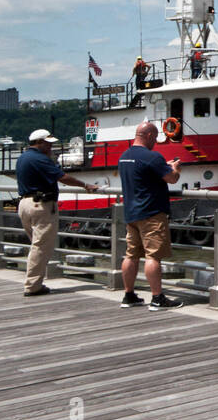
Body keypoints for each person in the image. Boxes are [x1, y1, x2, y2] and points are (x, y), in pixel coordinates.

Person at [15, 128, 99, 297]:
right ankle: (32, 286)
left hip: (24, 203)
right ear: (39, 143)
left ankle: (34, 282)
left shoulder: (23, 157)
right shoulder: (40, 159)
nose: (51, 147)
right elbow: (62, 177)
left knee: (37, 246)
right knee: (41, 247)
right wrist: (86, 185)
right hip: (41, 205)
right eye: (48, 144)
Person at [117, 122, 183, 310]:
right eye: (154, 138)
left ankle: (129, 295)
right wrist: (175, 168)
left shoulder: (124, 156)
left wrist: (164, 166)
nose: (155, 142)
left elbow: (143, 174)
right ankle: (157, 298)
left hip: (131, 213)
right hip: (151, 213)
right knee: (153, 256)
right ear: (148, 136)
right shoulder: (152, 157)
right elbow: (172, 179)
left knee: (131, 255)